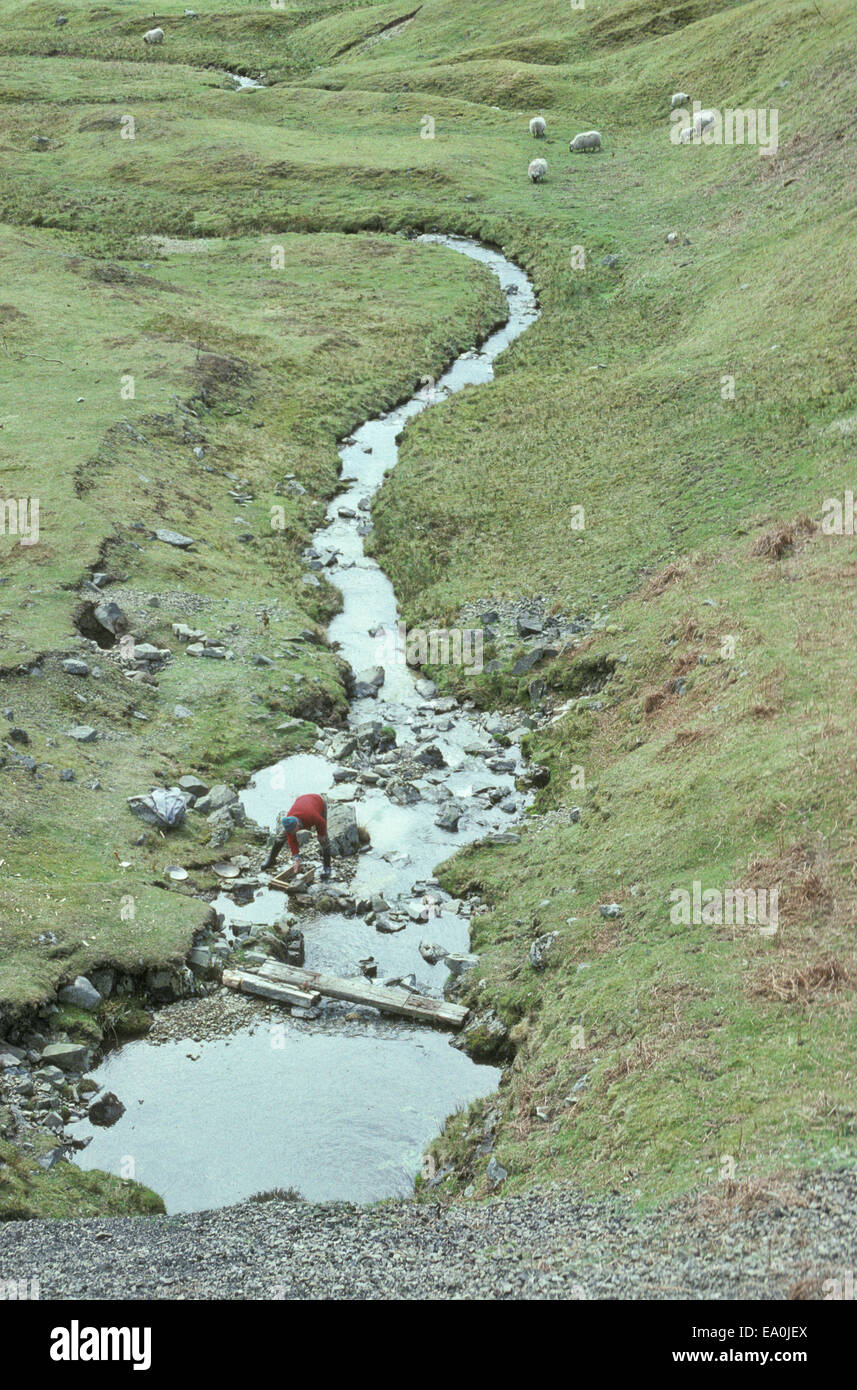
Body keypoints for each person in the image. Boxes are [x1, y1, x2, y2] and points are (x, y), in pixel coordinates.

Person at [261, 793, 331, 878]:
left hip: (318, 802)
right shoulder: (289, 822)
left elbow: (322, 822)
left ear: (298, 825)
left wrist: (321, 834)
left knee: (323, 839)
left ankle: (327, 867)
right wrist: (296, 858)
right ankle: (271, 860)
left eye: (293, 831)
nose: (292, 833)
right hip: (302, 801)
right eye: (290, 832)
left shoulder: (311, 816)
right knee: (280, 838)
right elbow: (292, 840)